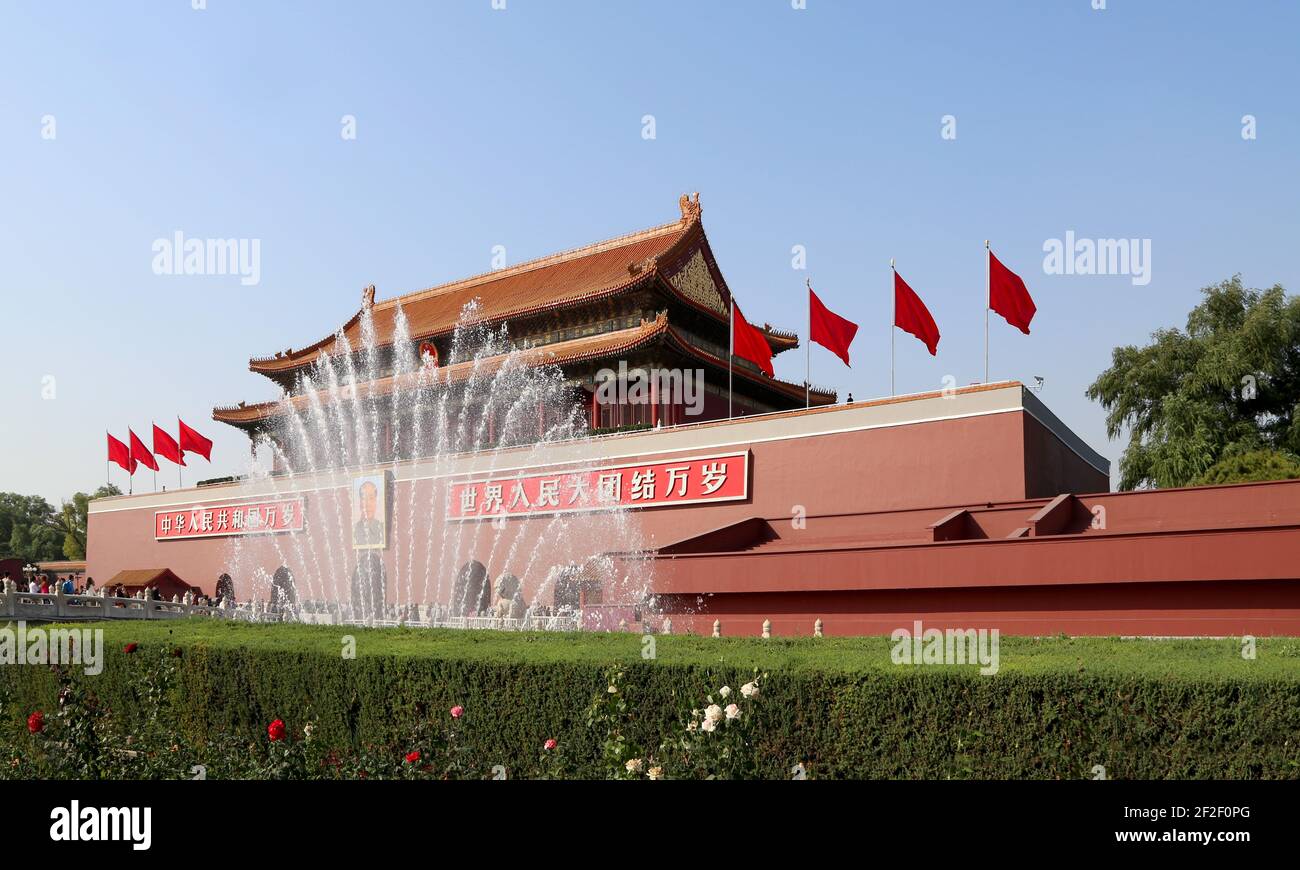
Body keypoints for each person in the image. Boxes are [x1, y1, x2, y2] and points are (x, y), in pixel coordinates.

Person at [352, 479, 384, 547]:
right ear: (360, 503)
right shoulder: (354, 530)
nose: (368, 504)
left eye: (371, 498)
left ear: (376, 502)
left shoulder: (382, 529)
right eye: (364, 498)